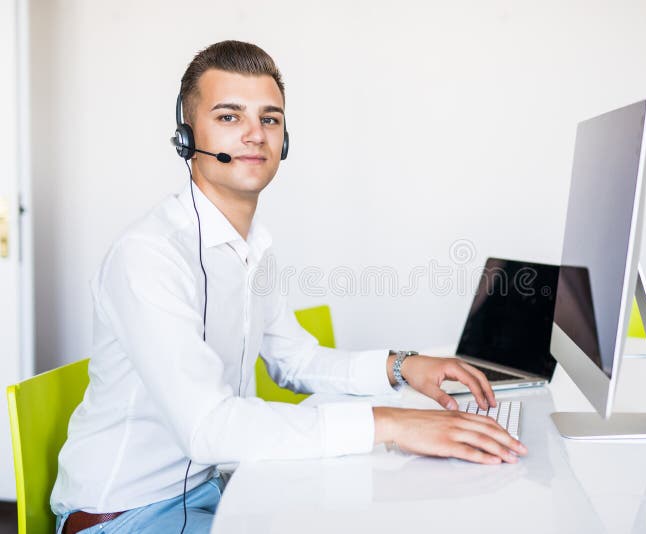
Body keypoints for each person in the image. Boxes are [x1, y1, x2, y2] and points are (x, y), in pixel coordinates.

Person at [51, 40, 527, 534]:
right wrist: (390, 424)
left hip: (214, 489)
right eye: (230, 117)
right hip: (127, 515)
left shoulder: (251, 247)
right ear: (187, 136)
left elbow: (295, 361)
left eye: (270, 119)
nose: (255, 134)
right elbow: (207, 429)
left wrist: (403, 366)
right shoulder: (148, 256)